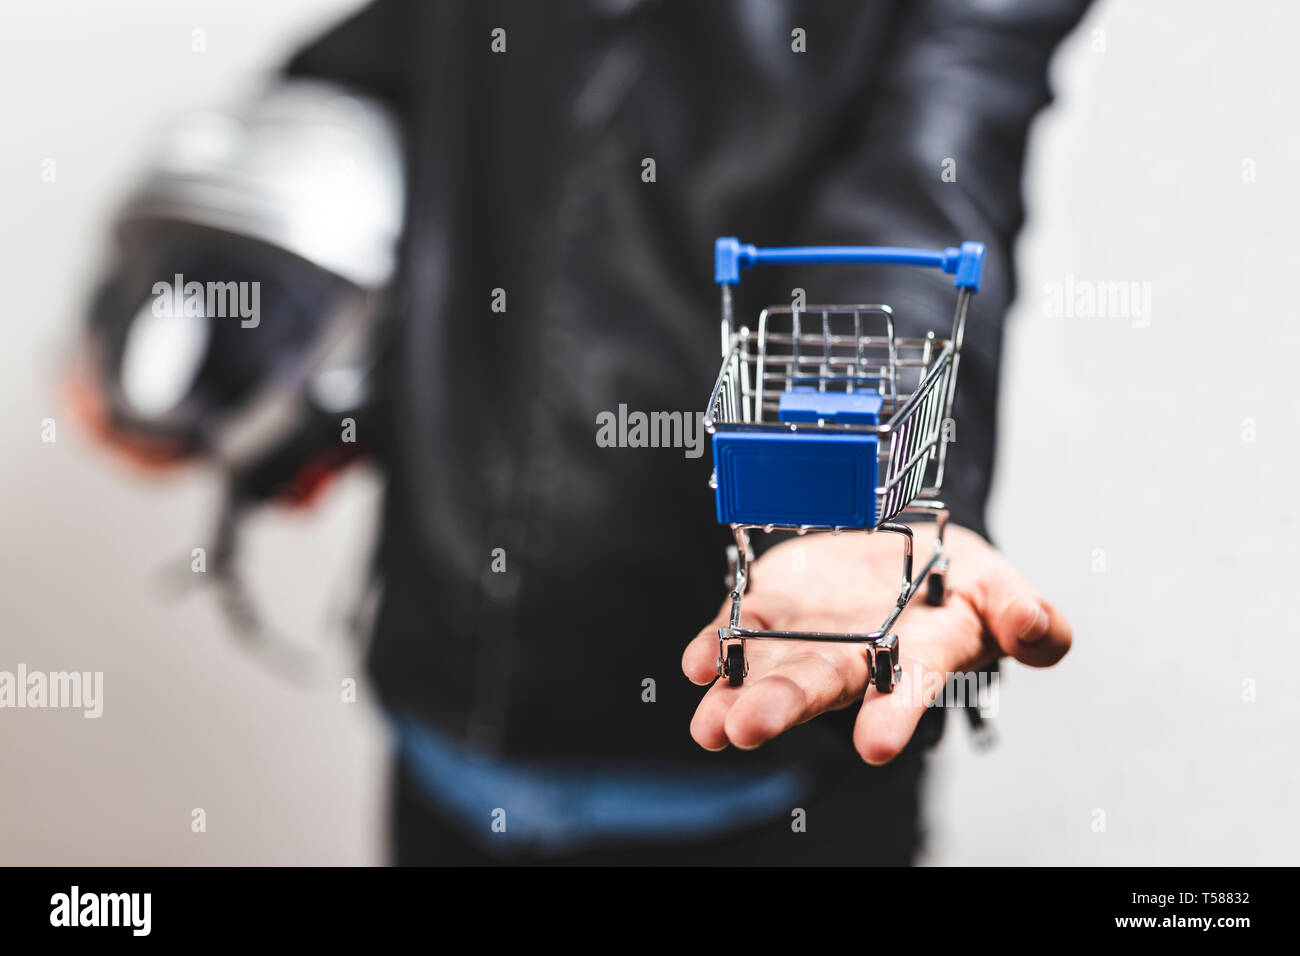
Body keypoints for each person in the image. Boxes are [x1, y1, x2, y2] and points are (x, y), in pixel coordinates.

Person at [74, 0, 1086, 865]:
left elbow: (919, 194)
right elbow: (389, 71)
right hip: (440, 723)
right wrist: (210, 340)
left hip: (756, 774)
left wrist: (851, 497)